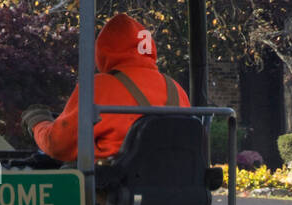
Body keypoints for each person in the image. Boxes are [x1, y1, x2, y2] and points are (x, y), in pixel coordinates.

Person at [21, 13, 188, 163]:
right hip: (177, 187)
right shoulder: (176, 89)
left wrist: (38, 123)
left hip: (114, 191)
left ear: (103, 49)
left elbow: (58, 145)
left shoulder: (98, 87)